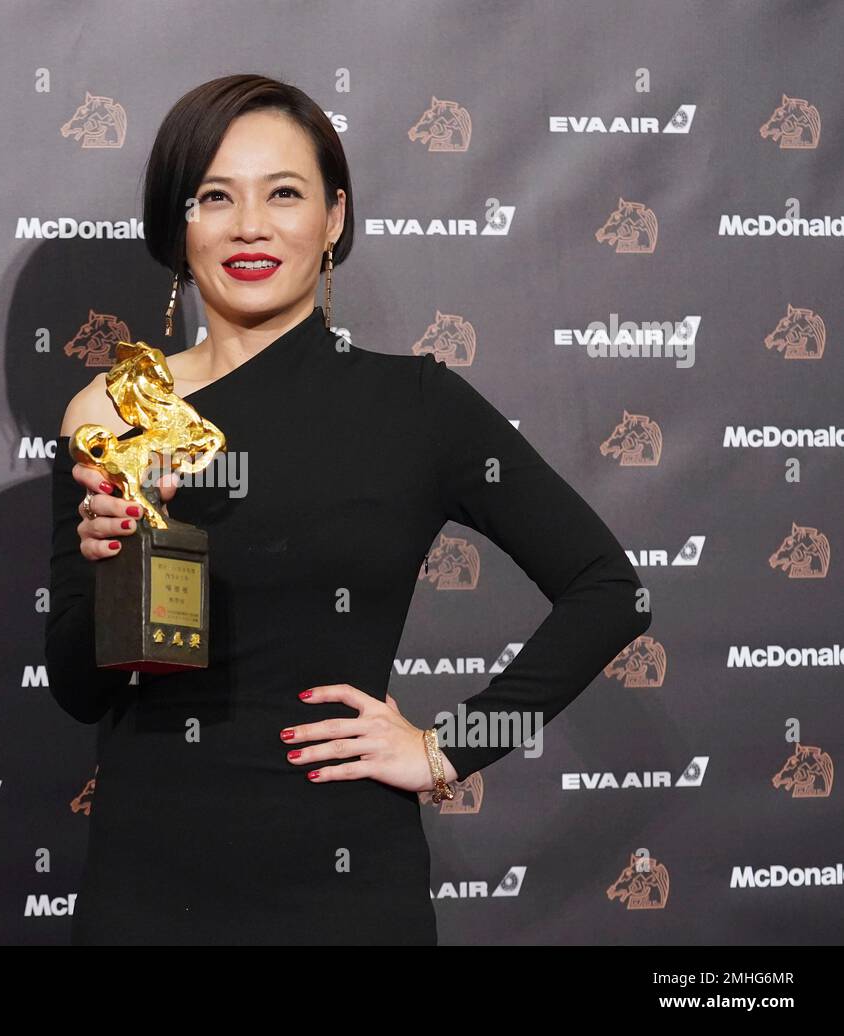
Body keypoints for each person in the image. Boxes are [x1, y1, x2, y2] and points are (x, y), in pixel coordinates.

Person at [45, 74, 650, 945]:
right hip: (146, 882)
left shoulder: (416, 406)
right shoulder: (110, 413)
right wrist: (109, 579)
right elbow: (74, 689)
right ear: (177, 223)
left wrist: (447, 750)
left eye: (283, 194)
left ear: (332, 220)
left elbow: (610, 591)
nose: (250, 225)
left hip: (344, 885)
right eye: (216, 196)